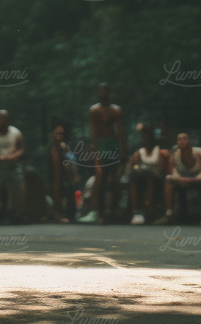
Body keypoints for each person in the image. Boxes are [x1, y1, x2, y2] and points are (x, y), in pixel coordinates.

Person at [82, 85, 126, 224]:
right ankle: (98, 211)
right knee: (100, 176)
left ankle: (113, 211)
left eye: (104, 92)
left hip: (113, 143)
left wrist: (122, 150)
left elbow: (120, 131)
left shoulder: (116, 110)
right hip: (101, 144)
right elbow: (93, 129)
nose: (102, 94)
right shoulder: (94, 110)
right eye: (100, 92)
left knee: (115, 177)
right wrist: (95, 148)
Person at [153, 132, 201, 225]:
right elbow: (173, 170)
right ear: (177, 142)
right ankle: (168, 214)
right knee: (168, 180)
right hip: (181, 179)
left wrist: (193, 179)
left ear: (189, 140)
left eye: (185, 138)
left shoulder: (200, 151)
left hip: (197, 179)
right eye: (180, 139)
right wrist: (180, 178)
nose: (182, 141)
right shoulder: (174, 153)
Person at [128, 123, 168, 224]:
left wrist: (151, 170)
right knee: (133, 176)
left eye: (148, 135)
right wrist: (137, 167)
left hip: (157, 177)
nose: (146, 137)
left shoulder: (159, 150)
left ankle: (148, 210)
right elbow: (133, 166)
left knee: (149, 176)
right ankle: (136, 212)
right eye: (144, 135)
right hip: (141, 177)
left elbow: (162, 168)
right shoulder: (139, 151)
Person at [48, 120, 78, 222]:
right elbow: (56, 170)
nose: (59, 135)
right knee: (58, 192)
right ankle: (58, 213)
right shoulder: (54, 147)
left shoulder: (65, 146)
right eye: (57, 133)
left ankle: (67, 214)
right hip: (56, 177)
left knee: (69, 195)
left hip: (67, 179)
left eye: (61, 133)